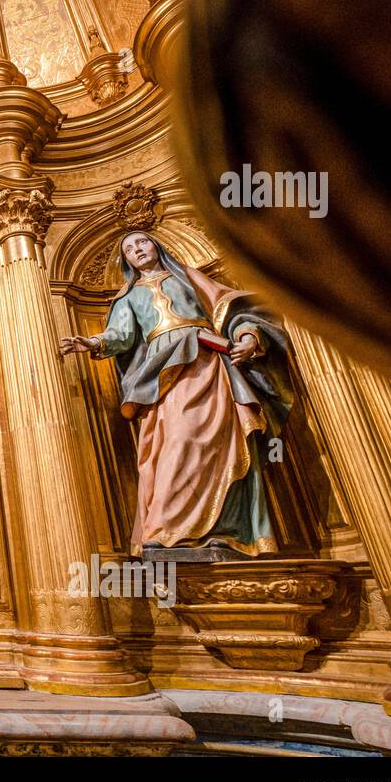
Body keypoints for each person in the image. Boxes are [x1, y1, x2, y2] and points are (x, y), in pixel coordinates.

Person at [59, 231, 293, 556]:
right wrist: (93, 343)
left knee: (220, 442)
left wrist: (248, 337)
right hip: (164, 373)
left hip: (208, 363)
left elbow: (233, 311)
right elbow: (120, 335)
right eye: (129, 249)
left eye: (141, 242)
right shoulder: (128, 296)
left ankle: (228, 531)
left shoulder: (188, 278)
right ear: (126, 260)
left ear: (156, 245)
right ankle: (171, 529)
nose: (137, 250)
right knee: (177, 442)